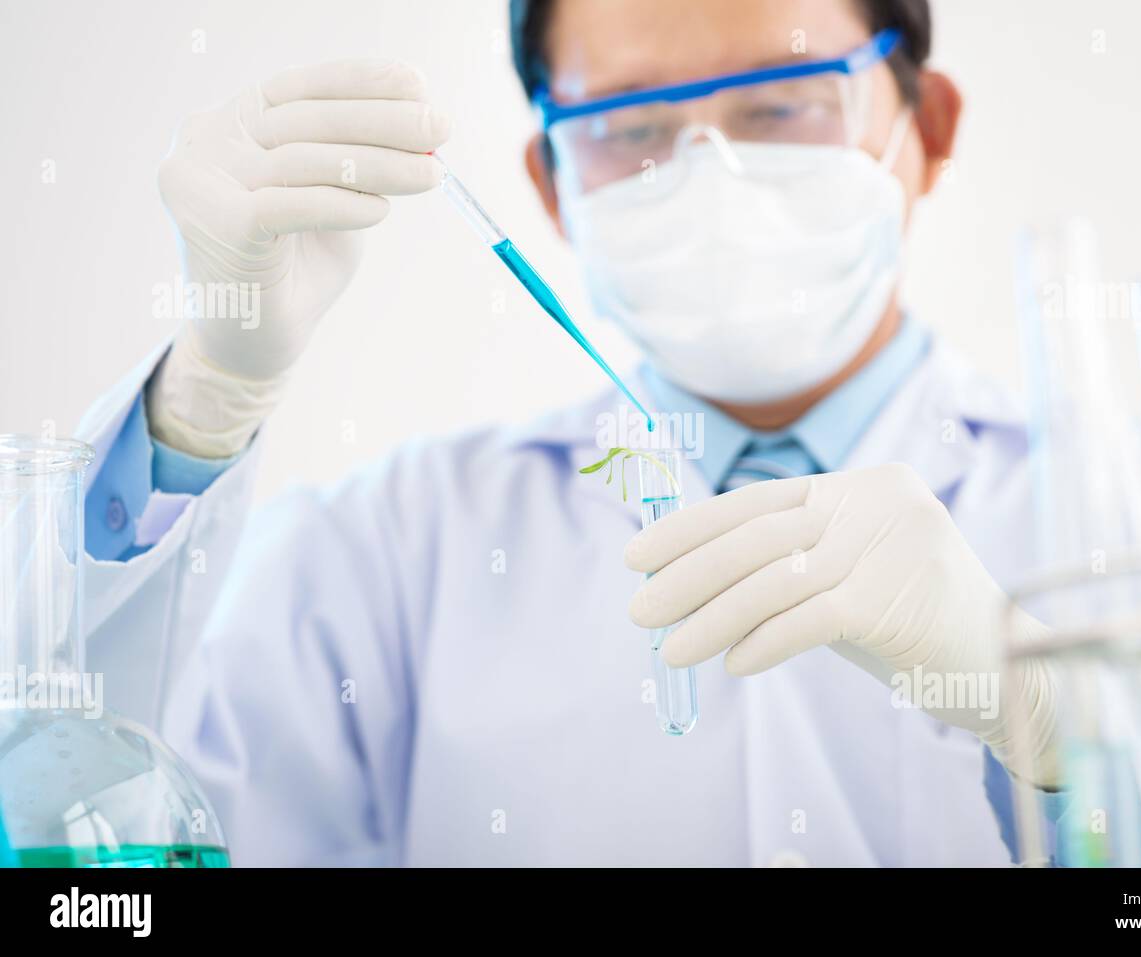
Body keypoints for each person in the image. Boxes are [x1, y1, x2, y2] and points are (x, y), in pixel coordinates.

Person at [76, 0, 1060, 866]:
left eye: (781, 101)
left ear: (927, 127)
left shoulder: (1123, 510)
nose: (707, 171)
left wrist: (1070, 741)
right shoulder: (390, 551)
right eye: (629, 125)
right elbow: (100, 838)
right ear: (550, 187)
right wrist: (204, 407)